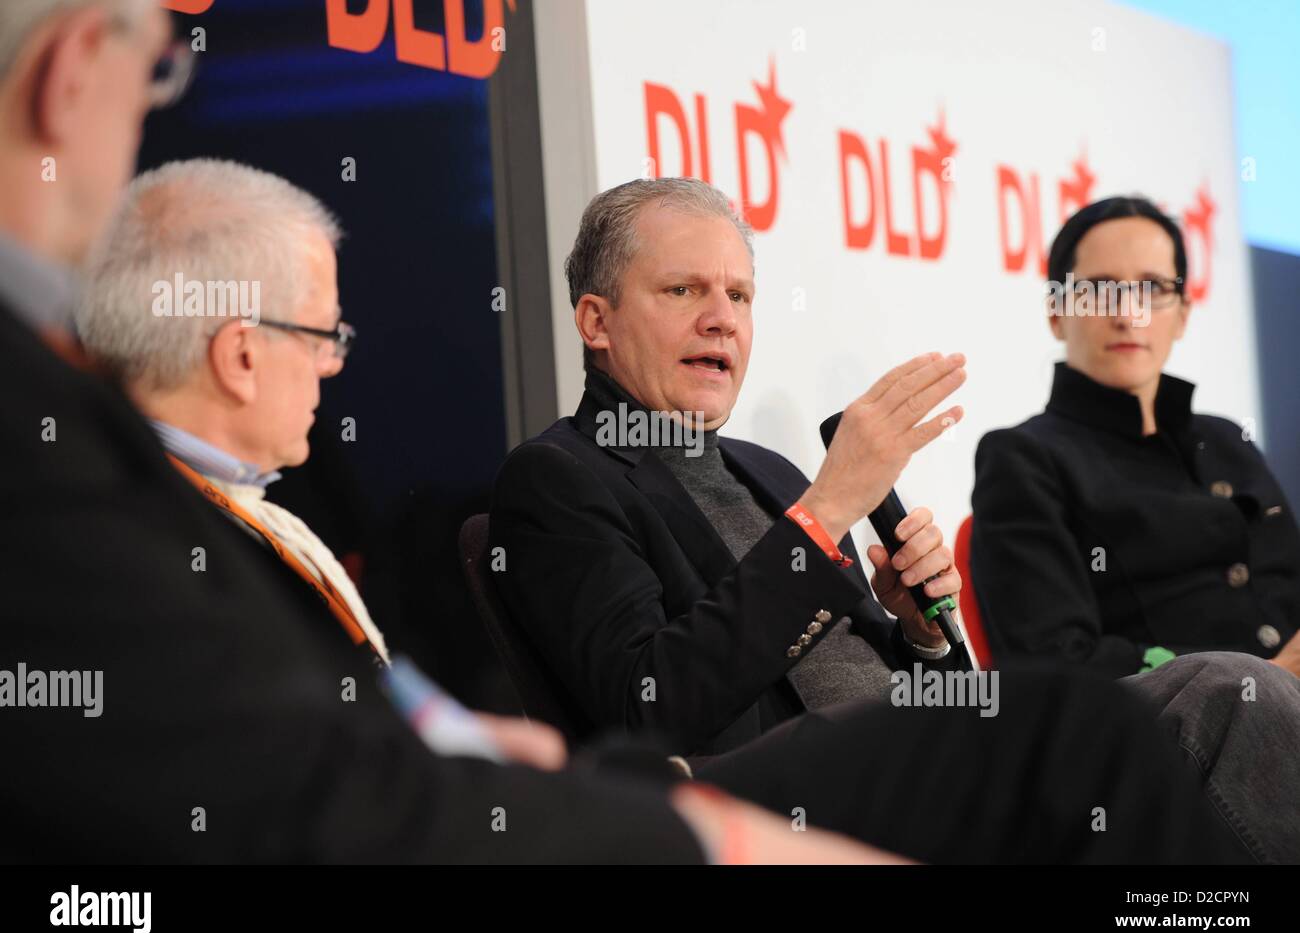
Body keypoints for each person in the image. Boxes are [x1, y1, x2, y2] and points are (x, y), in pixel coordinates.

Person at [0, 0, 885, 864]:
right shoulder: (103, 501)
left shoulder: (219, 514)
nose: (339, 365)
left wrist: (921, 631)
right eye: (324, 335)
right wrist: (695, 835)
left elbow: (370, 731)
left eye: (738, 295)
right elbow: (324, 781)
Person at [489, 176, 1296, 862]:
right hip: (761, 793)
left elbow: (939, 696)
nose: (722, 318)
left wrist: (920, 636)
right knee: (1220, 692)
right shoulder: (559, 477)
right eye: (683, 290)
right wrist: (830, 507)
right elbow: (649, 706)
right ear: (595, 322)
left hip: (912, 763)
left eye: (738, 294)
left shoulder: (766, 471)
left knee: (1206, 720)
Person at [970, 195, 1300, 679]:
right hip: (1181, 741)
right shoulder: (1023, 458)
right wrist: (1271, 678)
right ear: (1057, 312)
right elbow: (1055, 666)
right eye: (1100, 290)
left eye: (1152, 288)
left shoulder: (1228, 440)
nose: (1129, 315)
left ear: (1183, 313)